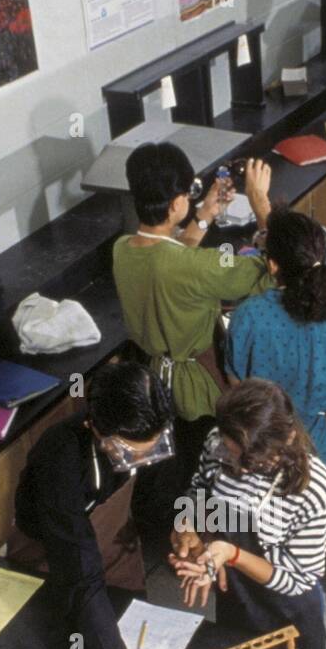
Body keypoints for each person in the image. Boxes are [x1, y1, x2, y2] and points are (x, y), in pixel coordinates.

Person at [225, 209, 326, 620]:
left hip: (267, 440)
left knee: (275, 522)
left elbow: (236, 388)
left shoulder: (247, 316)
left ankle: (298, 600)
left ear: (273, 264)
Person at [14, 362, 176, 649]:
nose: (141, 461)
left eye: (151, 450)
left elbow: (157, 493)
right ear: (95, 427)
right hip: (56, 552)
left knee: (139, 632)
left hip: (116, 537)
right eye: (127, 453)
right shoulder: (61, 461)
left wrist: (184, 527)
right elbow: (81, 579)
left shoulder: (150, 421)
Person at [169, 380, 326, 649]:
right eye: (232, 453)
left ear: (289, 438)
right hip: (235, 594)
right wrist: (188, 528)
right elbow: (198, 491)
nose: (241, 469)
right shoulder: (218, 443)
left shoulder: (315, 489)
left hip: (286, 608)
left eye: (255, 461)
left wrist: (231, 554)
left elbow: (298, 579)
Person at [112, 142, 273, 435]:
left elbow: (169, 254)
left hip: (152, 382)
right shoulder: (199, 266)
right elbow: (276, 268)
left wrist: (206, 213)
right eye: (187, 194)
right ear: (175, 204)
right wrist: (260, 202)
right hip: (198, 393)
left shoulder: (122, 249)